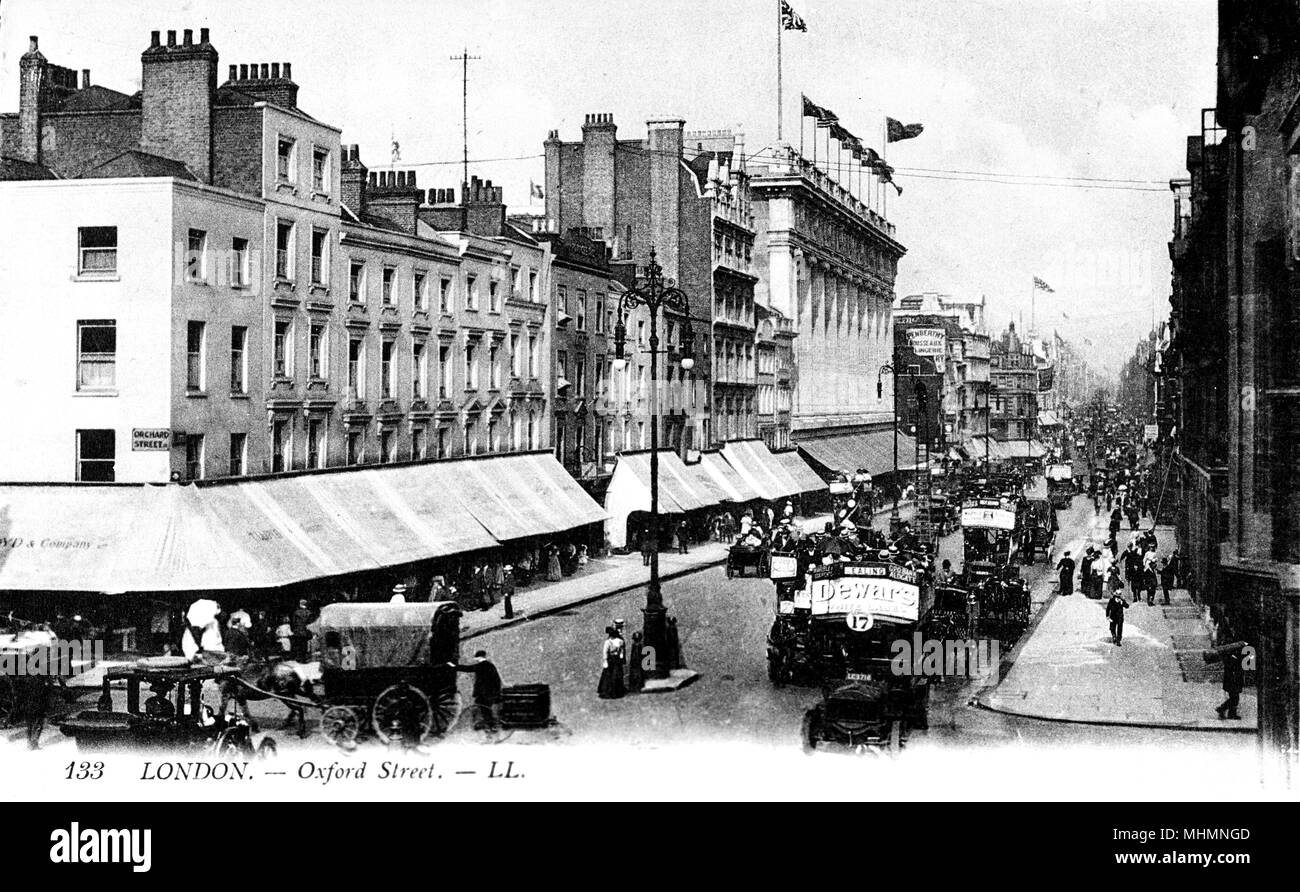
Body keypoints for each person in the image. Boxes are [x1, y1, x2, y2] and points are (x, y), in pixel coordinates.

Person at [450, 650, 503, 734]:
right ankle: (490, 727)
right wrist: (496, 692)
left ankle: (491, 728)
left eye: (477, 658)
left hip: (483, 694)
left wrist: (454, 666)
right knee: (486, 710)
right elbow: (497, 680)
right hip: (489, 693)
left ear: (479, 658)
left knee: (485, 711)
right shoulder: (491, 666)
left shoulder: (481, 665)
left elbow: (468, 668)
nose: (476, 659)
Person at [597, 626, 626, 699]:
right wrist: (605, 661)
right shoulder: (608, 642)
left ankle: (617, 691)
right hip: (611, 660)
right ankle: (609, 691)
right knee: (609, 675)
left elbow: (622, 649)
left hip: (617, 659)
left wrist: (621, 655)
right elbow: (605, 652)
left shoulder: (619, 641)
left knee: (617, 674)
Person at [1216, 647, 1244, 720]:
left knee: (1234, 697)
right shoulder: (1232, 659)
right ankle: (1222, 709)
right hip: (1232, 681)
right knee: (1235, 698)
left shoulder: (1231, 658)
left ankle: (1230, 713)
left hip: (1232, 681)